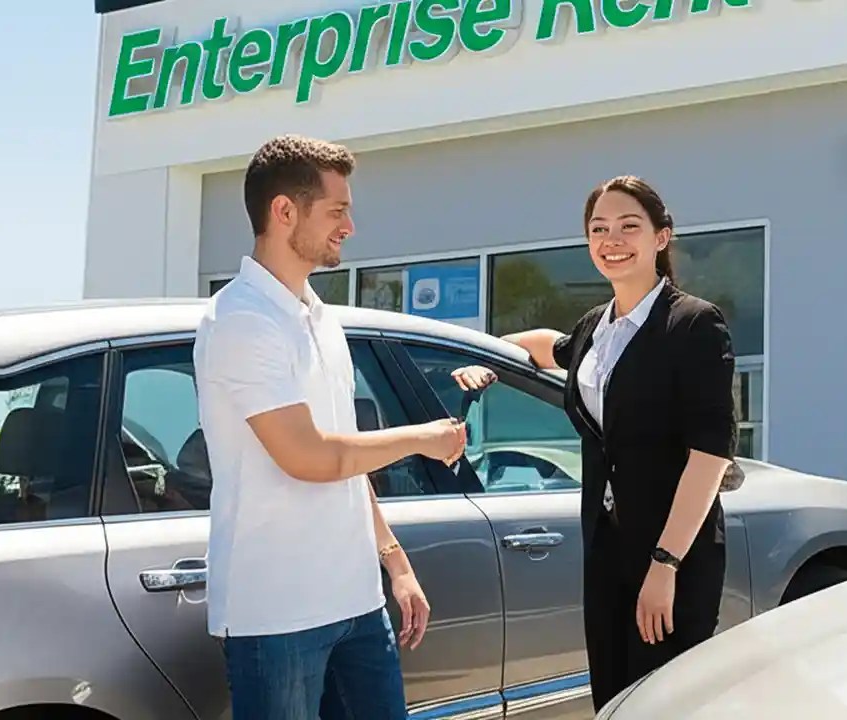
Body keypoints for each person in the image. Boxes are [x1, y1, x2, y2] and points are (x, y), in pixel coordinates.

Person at [195, 134, 467, 720]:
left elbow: (348, 457)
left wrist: (395, 562)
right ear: (284, 211)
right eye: (337, 211)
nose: (350, 226)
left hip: (356, 603)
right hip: (278, 616)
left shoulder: (320, 318)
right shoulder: (241, 321)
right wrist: (423, 438)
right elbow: (312, 457)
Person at [452, 175, 737, 710]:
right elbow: (549, 347)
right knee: (612, 698)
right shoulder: (595, 328)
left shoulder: (693, 324)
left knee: (666, 700)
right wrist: (490, 360)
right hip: (606, 549)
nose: (612, 240)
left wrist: (665, 564)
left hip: (673, 555)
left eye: (629, 226)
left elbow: (710, 454)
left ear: (661, 237)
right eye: (599, 229)